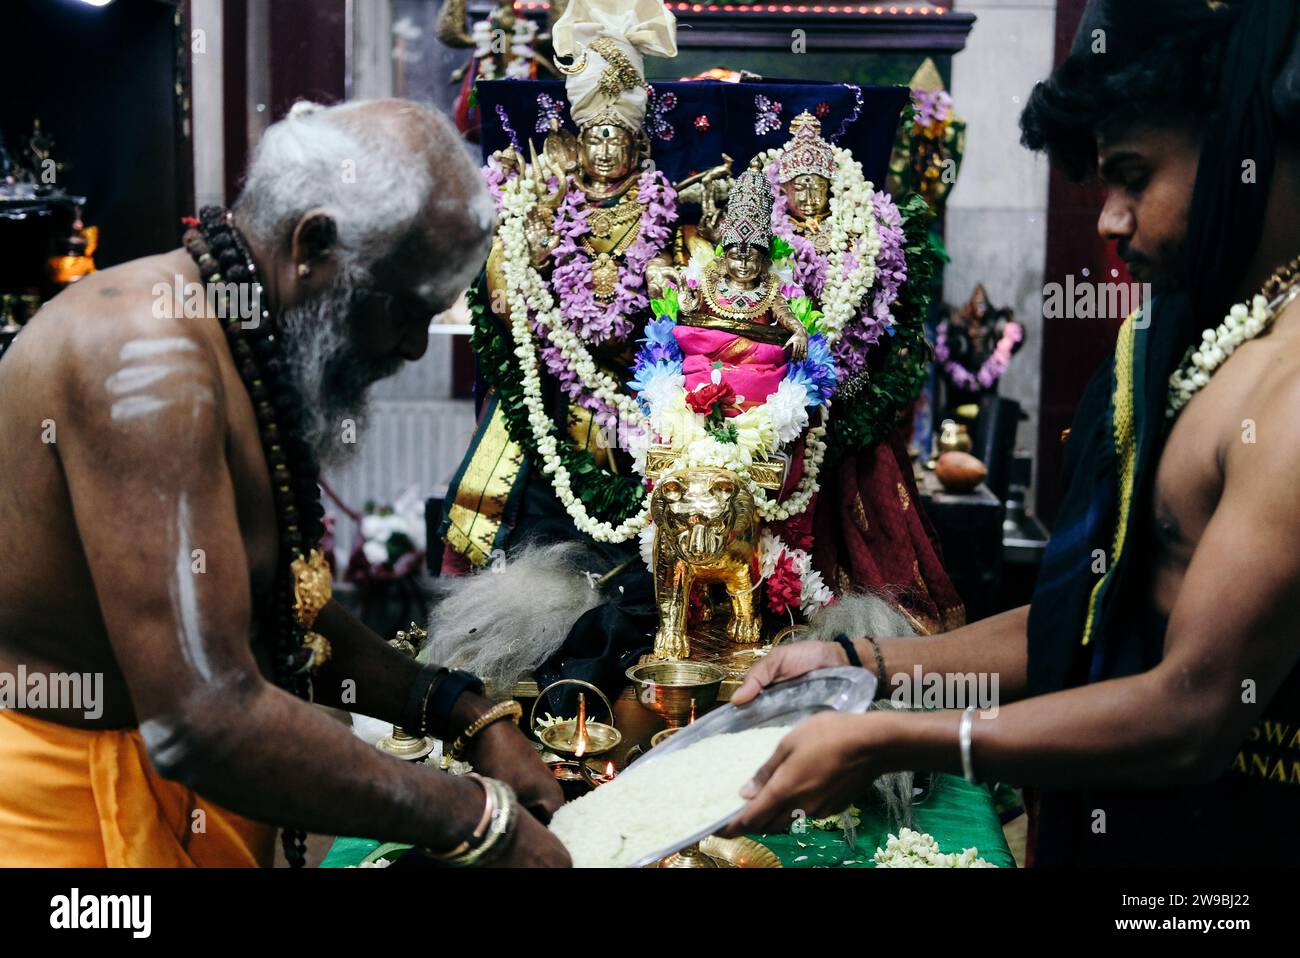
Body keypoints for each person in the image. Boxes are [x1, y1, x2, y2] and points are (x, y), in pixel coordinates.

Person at [722, 0, 1300, 866]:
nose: (1109, 219)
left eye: (1134, 177)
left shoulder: (1288, 389)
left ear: (1242, 148)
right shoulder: (1188, 340)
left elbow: (1194, 711)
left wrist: (899, 740)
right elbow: (1080, 621)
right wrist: (861, 664)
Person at [0, 98, 569, 867]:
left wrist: (462, 712)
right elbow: (205, 719)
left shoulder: (238, 340)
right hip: (64, 814)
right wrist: (478, 819)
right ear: (314, 243)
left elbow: (277, 611)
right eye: (404, 309)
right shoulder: (144, 362)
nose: (409, 347)